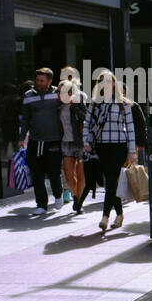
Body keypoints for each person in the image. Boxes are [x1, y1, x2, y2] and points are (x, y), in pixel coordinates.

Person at [82, 71, 141, 233]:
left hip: (119, 146)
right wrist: (86, 141)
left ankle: (105, 217)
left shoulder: (123, 103)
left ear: (114, 83)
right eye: (102, 81)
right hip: (101, 146)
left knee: (110, 180)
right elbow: (87, 123)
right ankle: (120, 214)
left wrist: (132, 151)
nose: (106, 84)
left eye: (109, 81)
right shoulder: (95, 103)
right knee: (110, 182)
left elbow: (130, 128)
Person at [19, 67, 64, 214]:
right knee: (37, 173)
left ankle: (58, 194)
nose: (38, 83)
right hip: (35, 140)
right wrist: (21, 138)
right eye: (37, 80)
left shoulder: (58, 93)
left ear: (50, 81)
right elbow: (25, 119)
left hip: (54, 140)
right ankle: (41, 205)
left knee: (54, 172)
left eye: (42, 80)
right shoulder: (28, 95)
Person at [57, 68, 88, 214]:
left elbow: (87, 118)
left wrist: (74, 106)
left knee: (81, 175)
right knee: (69, 176)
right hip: (66, 142)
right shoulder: (59, 105)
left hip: (80, 142)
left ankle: (79, 202)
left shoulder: (79, 99)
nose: (59, 94)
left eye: (62, 91)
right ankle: (77, 196)